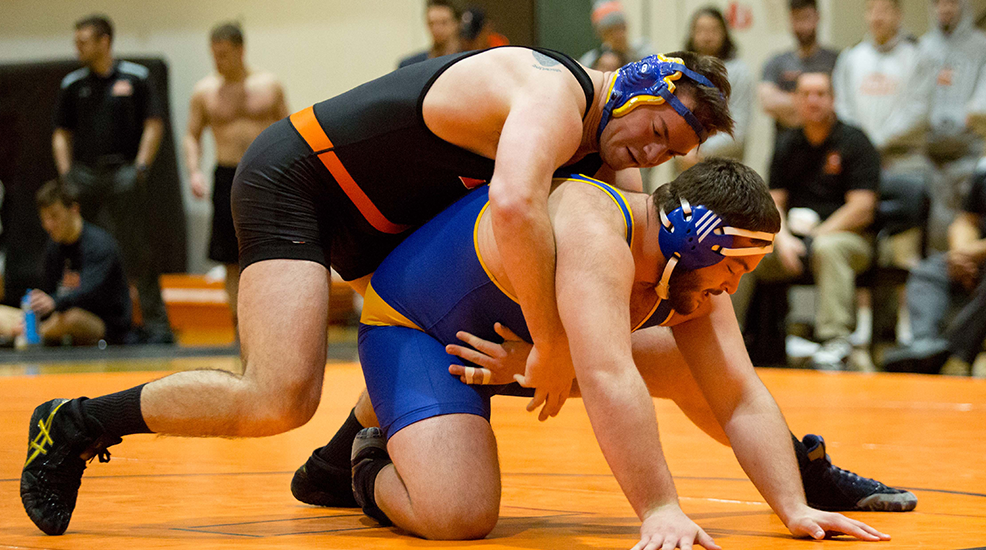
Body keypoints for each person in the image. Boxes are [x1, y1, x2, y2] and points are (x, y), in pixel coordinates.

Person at [21, 50, 734, 536]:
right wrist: (548, 344)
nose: (650, 153)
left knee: (429, 323)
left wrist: (791, 477)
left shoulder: (614, 154)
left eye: (670, 152)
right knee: (277, 396)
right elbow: (515, 207)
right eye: (657, 131)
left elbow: (622, 287)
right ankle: (77, 422)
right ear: (642, 84)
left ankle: (341, 461)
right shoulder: (554, 93)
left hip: (389, 223)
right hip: (302, 183)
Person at [294, 160, 904, 543]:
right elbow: (608, 376)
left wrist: (792, 507)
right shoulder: (597, 232)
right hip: (424, 331)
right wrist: (660, 508)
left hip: (521, 348)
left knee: (703, 373)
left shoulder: (684, 271)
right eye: (733, 265)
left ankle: (808, 476)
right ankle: (368, 463)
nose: (732, 286)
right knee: (460, 517)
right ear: (691, 240)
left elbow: (741, 396)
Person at [736, 72, 879, 370]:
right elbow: (774, 201)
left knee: (828, 248)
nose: (813, 101)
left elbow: (862, 208)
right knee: (746, 247)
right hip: (794, 240)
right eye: (806, 94)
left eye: (820, 94)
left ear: (833, 99)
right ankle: (730, 339)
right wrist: (784, 238)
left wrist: (817, 236)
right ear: (796, 101)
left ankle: (835, 341)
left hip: (849, 239)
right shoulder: (788, 143)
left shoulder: (855, 141)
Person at [52, 14, 172, 344]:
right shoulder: (73, 84)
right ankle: (99, 325)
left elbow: (154, 123)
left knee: (137, 249)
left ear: (105, 41)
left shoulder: (136, 77)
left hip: (123, 172)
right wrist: (66, 175)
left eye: (84, 41)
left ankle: (157, 325)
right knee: (85, 250)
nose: (77, 47)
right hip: (85, 175)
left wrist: (141, 167)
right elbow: (61, 133)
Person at [184, 22, 288, 330]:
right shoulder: (204, 92)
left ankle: (274, 324)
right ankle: (239, 328)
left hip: (265, 174)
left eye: (224, 54)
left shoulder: (269, 85)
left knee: (272, 251)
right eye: (214, 55)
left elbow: (289, 130)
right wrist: (193, 172)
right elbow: (191, 135)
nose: (218, 61)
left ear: (241, 50)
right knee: (230, 259)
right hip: (227, 175)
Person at [881, 147, 986, 375]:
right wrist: (960, 253)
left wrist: (978, 252)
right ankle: (926, 346)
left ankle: (956, 354)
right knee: (928, 271)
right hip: (981, 255)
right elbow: (965, 220)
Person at [917, 0, 986, 252]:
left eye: (951, 2)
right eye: (939, 3)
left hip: (968, 152)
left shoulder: (985, 47)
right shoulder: (923, 47)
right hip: (930, 153)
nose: (945, 8)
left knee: (968, 222)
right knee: (933, 229)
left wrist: (970, 115)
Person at [26, 180, 132, 346]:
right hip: (59, 317)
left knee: (72, 318)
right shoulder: (54, 247)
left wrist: (54, 302)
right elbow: (50, 289)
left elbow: (87, 293)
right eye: (44, 218)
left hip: (104, 324)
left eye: (54, 216)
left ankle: (28, 335)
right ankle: (28, 331)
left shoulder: (100, 245)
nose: (48, 225)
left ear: (74, 209)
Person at [831, 0, 933, 165]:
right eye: (871, 10)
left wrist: (878, 141)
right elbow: (842, 105)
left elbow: (918, 110)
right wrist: (862, 142)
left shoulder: (916, 57)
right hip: (859, 159)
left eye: (884, 10)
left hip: (903, 159)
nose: (877, 17)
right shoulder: (851, 57)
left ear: (898, 15)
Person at [677, 6, 754, 167]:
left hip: (725, 167)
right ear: (692, 33)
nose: (707, 36)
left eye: (713, 30)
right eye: (701, 30)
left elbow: (737, 131)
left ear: (725, 33)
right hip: (683, 165)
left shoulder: (739, 71)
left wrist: (698, 151)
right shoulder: (679, 71)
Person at [758, 0, 839, 135]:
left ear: (817, 17)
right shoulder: (776, 62)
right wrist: (817, 106)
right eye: (796, 19)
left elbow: (840, 106)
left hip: (828, 145)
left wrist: (789, 107)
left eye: (806, 17)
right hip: (786, 146)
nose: (802, 25)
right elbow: (767, 102)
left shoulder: (836, 60)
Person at [579, 0, 655, 69]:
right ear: (602, 34)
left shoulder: (643, 53)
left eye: (621, 28)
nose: (619, 35)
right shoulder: (590, 61)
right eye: (611, 31)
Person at [398, 0, 462, 68]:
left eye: (444, 23)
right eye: (431, 23)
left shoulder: (467, 61)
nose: (437, 29)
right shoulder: (410, 65)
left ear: (456, 23)